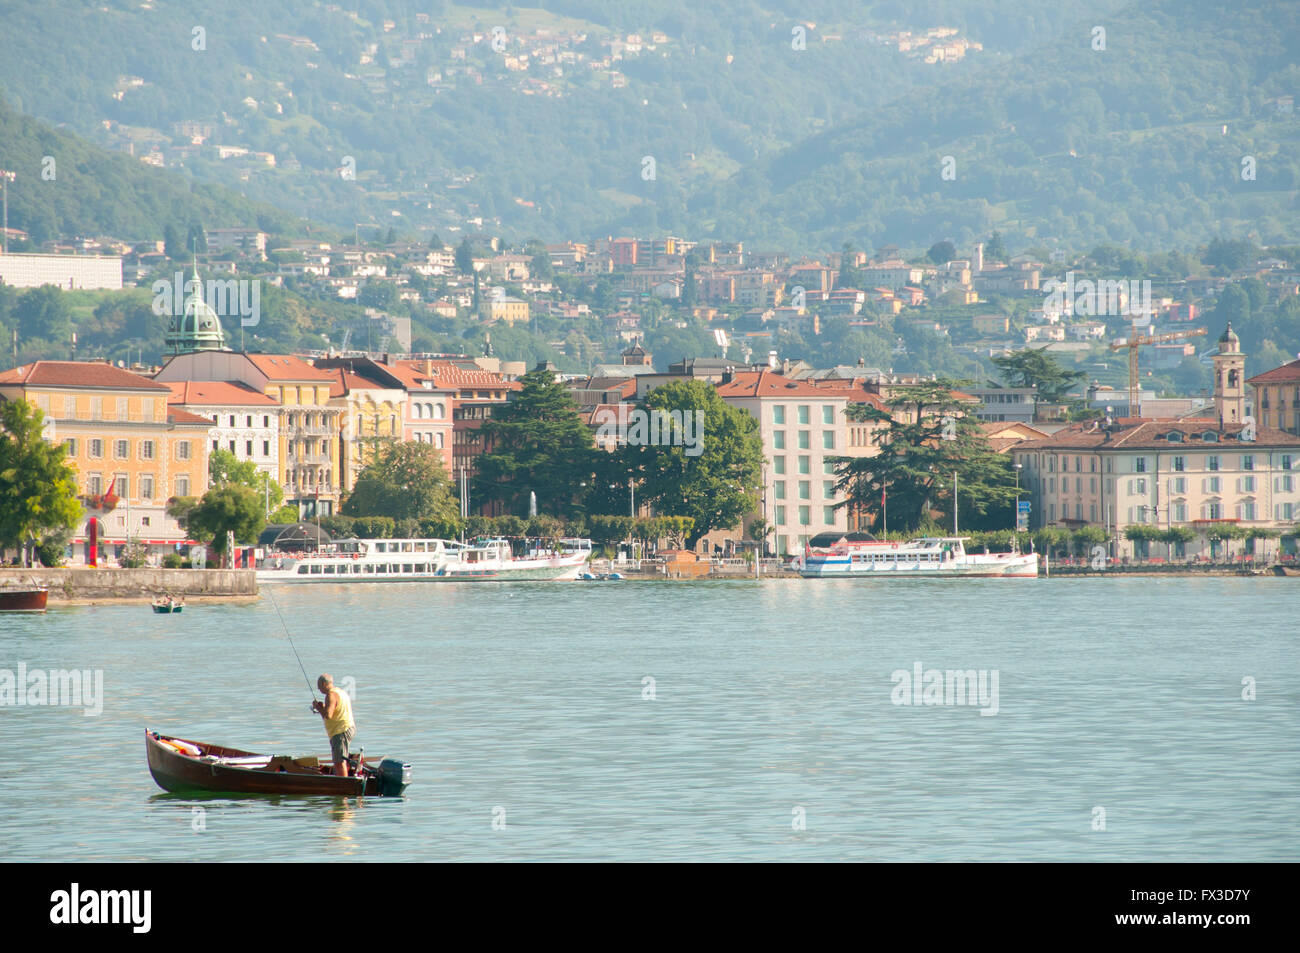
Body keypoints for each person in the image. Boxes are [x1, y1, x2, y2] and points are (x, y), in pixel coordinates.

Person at [311, 674, 355, 777]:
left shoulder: (330, 695)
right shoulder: (340, 692)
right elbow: (334, 711)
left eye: (319, 686)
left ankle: (343, 786)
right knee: (339, 759)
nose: (318, 688)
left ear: (323, 684)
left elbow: (328, 715)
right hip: (347, 728)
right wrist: (323, 707)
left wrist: (318, 707)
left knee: (339, 762)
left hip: (340, 730)